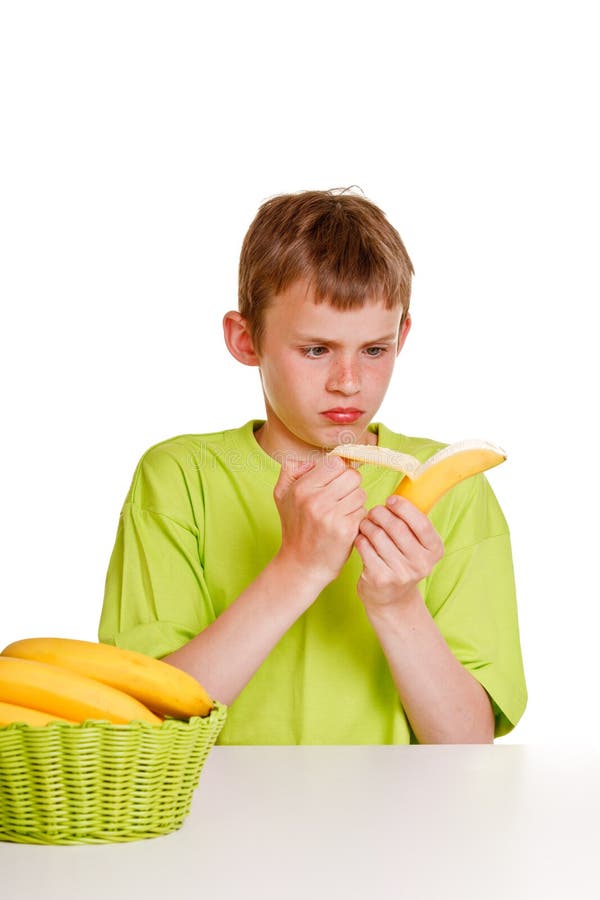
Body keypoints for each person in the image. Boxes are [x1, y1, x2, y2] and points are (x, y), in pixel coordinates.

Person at [99, 188, 527, 744]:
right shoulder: (179, 477)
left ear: (402, 337)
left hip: (402, 826)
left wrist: (397, 604)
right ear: (246, 339)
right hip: (216, 824)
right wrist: (298, 567)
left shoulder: (449, 487)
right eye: (316, 350)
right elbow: (147, 719)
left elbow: (468, 744)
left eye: (374, 350)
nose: (348, 381)